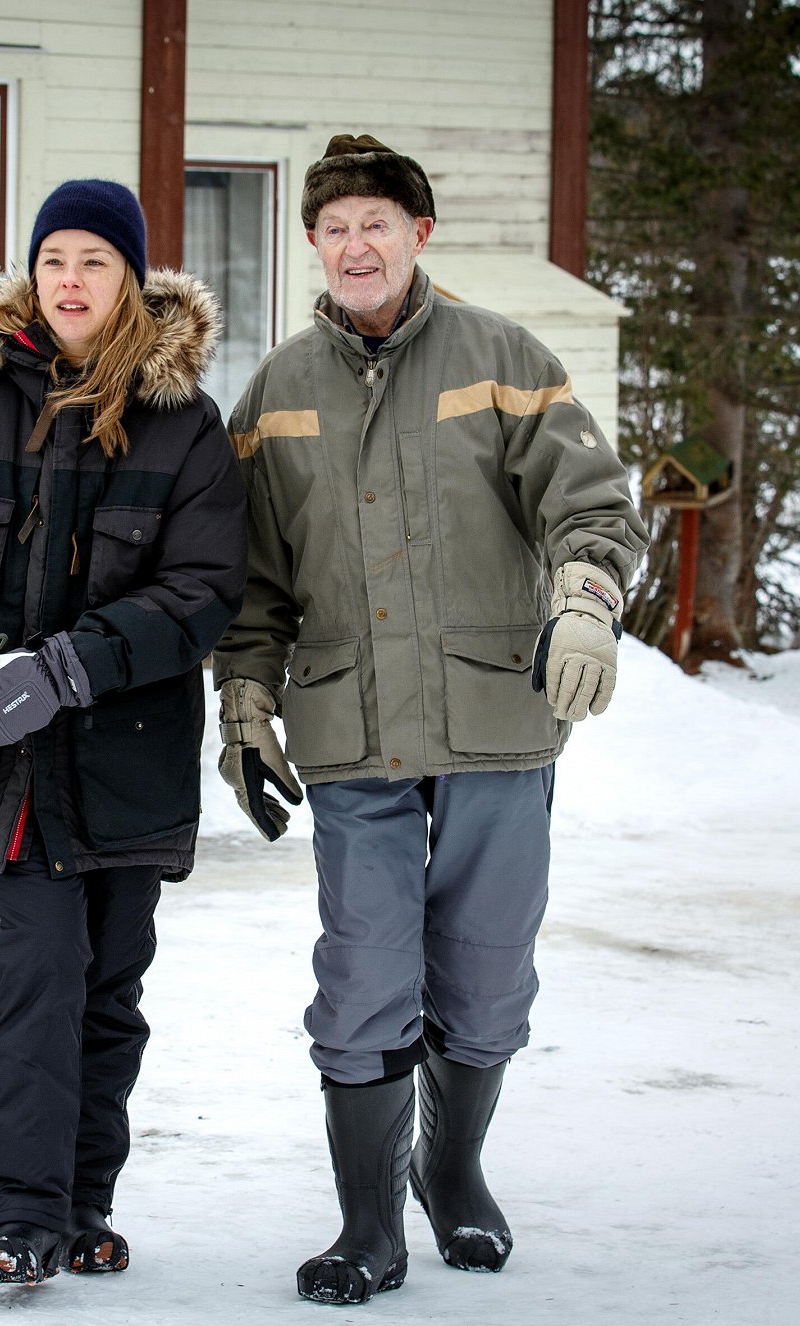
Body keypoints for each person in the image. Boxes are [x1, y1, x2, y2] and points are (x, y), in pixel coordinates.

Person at [211, 134, 648, 1305]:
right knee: (364, 978)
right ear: (314, 242)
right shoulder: (275, 394)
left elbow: (589, 506)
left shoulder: (504, 358)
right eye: (336, 227)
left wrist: (588, 607)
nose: (358, 245)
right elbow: (251, 584)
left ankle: (451, 1173)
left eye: (379, 225)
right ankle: (368, 1224)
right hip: (352, 734)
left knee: (489, 972)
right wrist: (246, 703)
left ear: (419, 235)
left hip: (500, 715)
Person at [0, 179, 247, 1285]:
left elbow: (203, 590)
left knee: (108, 990)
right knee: (36, 976)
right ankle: (22, 1218)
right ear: (31, 273)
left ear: (131, 277)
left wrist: (75, 665)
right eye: (54, 259)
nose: (70, 280)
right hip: (8, 767)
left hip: (125, 768)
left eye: (93, 260)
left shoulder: (185, 426)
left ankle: (86, 1205)